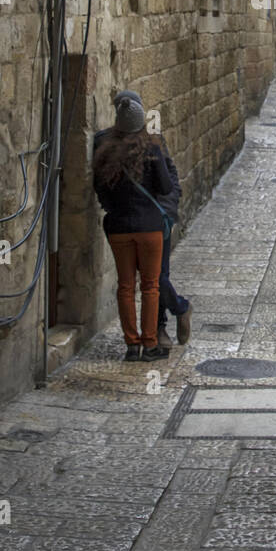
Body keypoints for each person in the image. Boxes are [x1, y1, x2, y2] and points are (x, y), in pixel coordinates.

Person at [92, 90, 191, 362]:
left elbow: (99, 187)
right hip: (150, 227)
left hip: (118, 226)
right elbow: (166, 185)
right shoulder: (152, 146)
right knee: (150, 286)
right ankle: (150, 344)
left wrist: (114, 208)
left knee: (125, 286)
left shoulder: (102, 144)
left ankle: (131, 346)